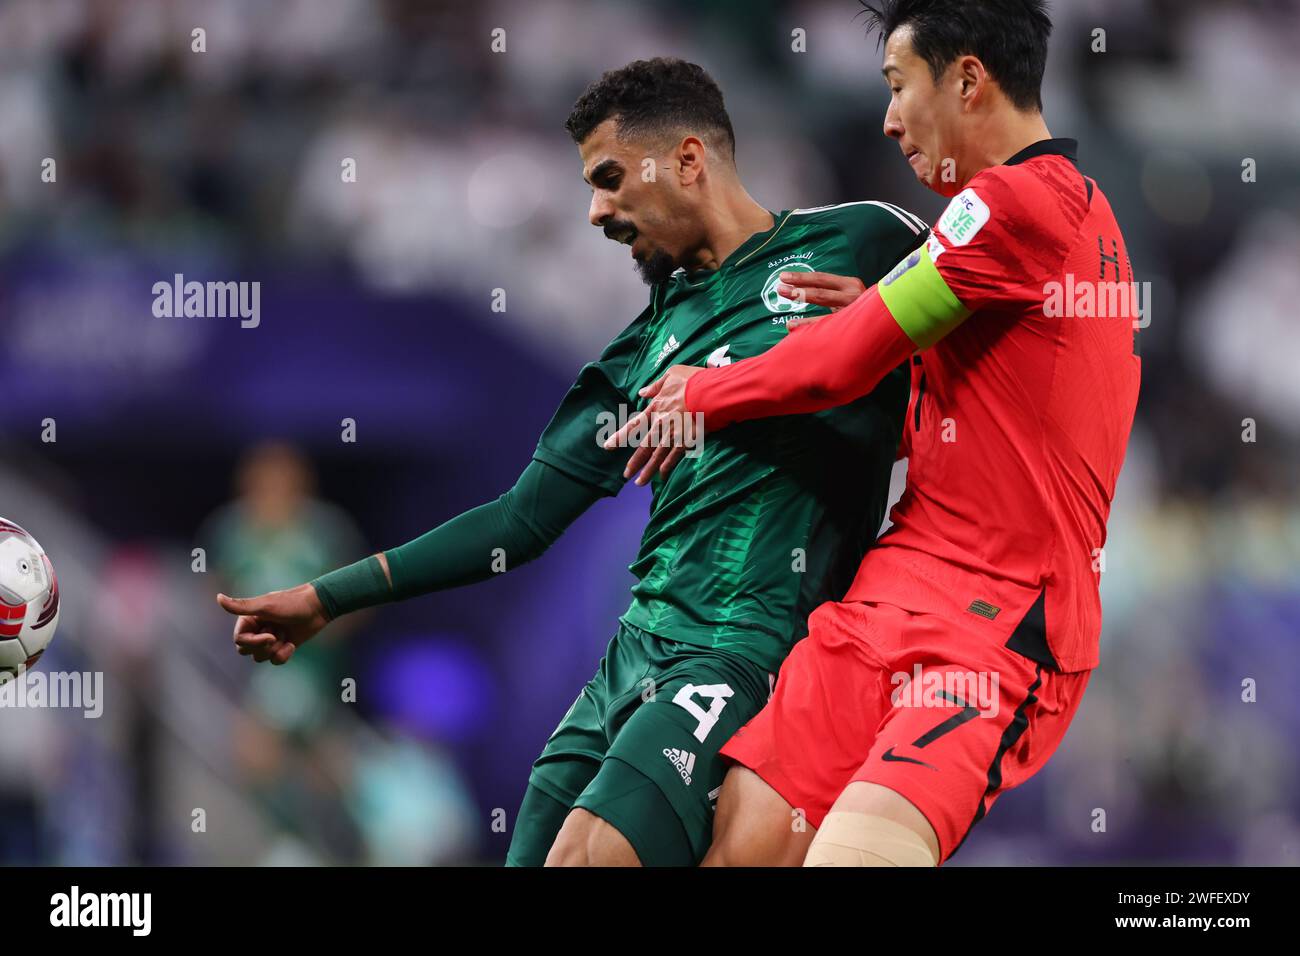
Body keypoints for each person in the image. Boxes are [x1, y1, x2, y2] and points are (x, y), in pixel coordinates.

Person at [217, 57, 928, 866]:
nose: (596, 211)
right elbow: (517, 522)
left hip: (742, 650)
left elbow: (1013, 317)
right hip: (626, 664)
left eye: (611, 178)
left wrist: (886, 325)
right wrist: (326, 596)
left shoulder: (862, 240)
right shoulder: (637, 355)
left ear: (688, 161)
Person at [608, 1, 1141, 866]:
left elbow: (840, 365)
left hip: (995, 622)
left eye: (899, 87)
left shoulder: (1017, 204)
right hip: (889, 593)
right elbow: (954, 384)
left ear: (967, 80)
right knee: (744, 846)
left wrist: (708, 390)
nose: (889, 119)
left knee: (851, 857)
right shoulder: (1046, 223)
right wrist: (898, 334)